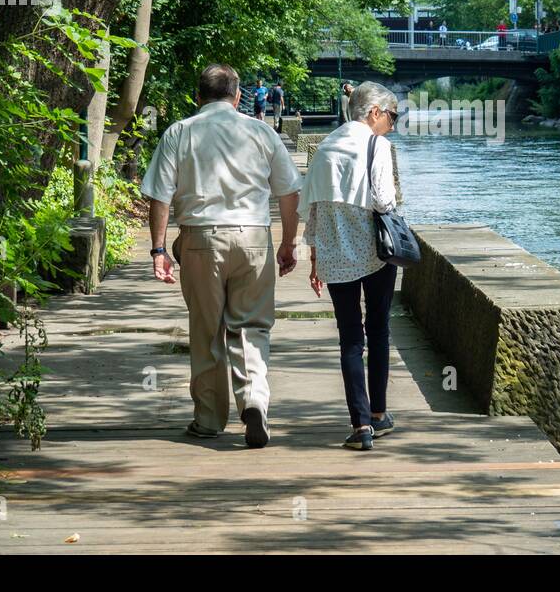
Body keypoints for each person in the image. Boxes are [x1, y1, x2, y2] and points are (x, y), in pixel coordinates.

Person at [141, 64, 302, 448]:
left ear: (198, 96)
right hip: (252, 238)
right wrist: (288, 242)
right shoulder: (261, 132)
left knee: (207, 330)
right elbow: (289, 193)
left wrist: (159, 249)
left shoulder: (179, 132)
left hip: (200, 239)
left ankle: (209, 419)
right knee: (251, 326)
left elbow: (160, 196)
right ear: (237, 95)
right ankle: (255, 400)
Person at [300, 82, 400, 451]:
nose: (392, 124)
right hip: (375, 252)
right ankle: (379, 414)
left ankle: (360, 427)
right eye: (391, 116)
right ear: (374, 111)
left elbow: (313, 208)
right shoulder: (378, 145)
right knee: (378, 330)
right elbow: (384, 201)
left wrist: (313, 258)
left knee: (349, 338)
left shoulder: (324, 147)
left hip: (335, 253)